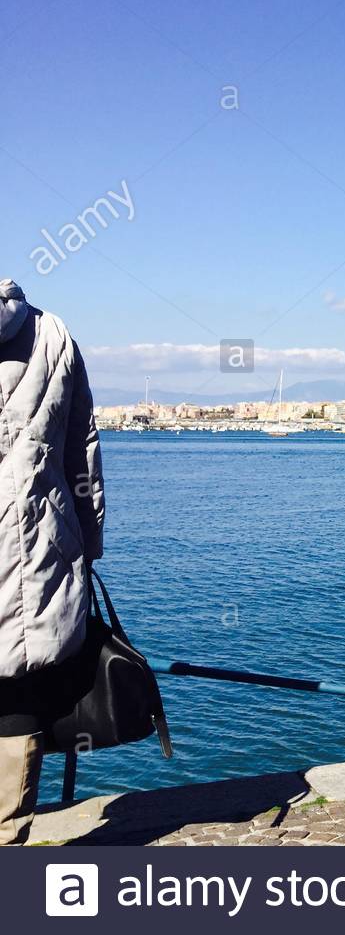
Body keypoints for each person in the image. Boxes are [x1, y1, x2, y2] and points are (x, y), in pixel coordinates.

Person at [0, 280, 105, 845]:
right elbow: (83, 457)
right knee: (15, 698)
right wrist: (85, 550)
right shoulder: (52, 335)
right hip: (35, 561)